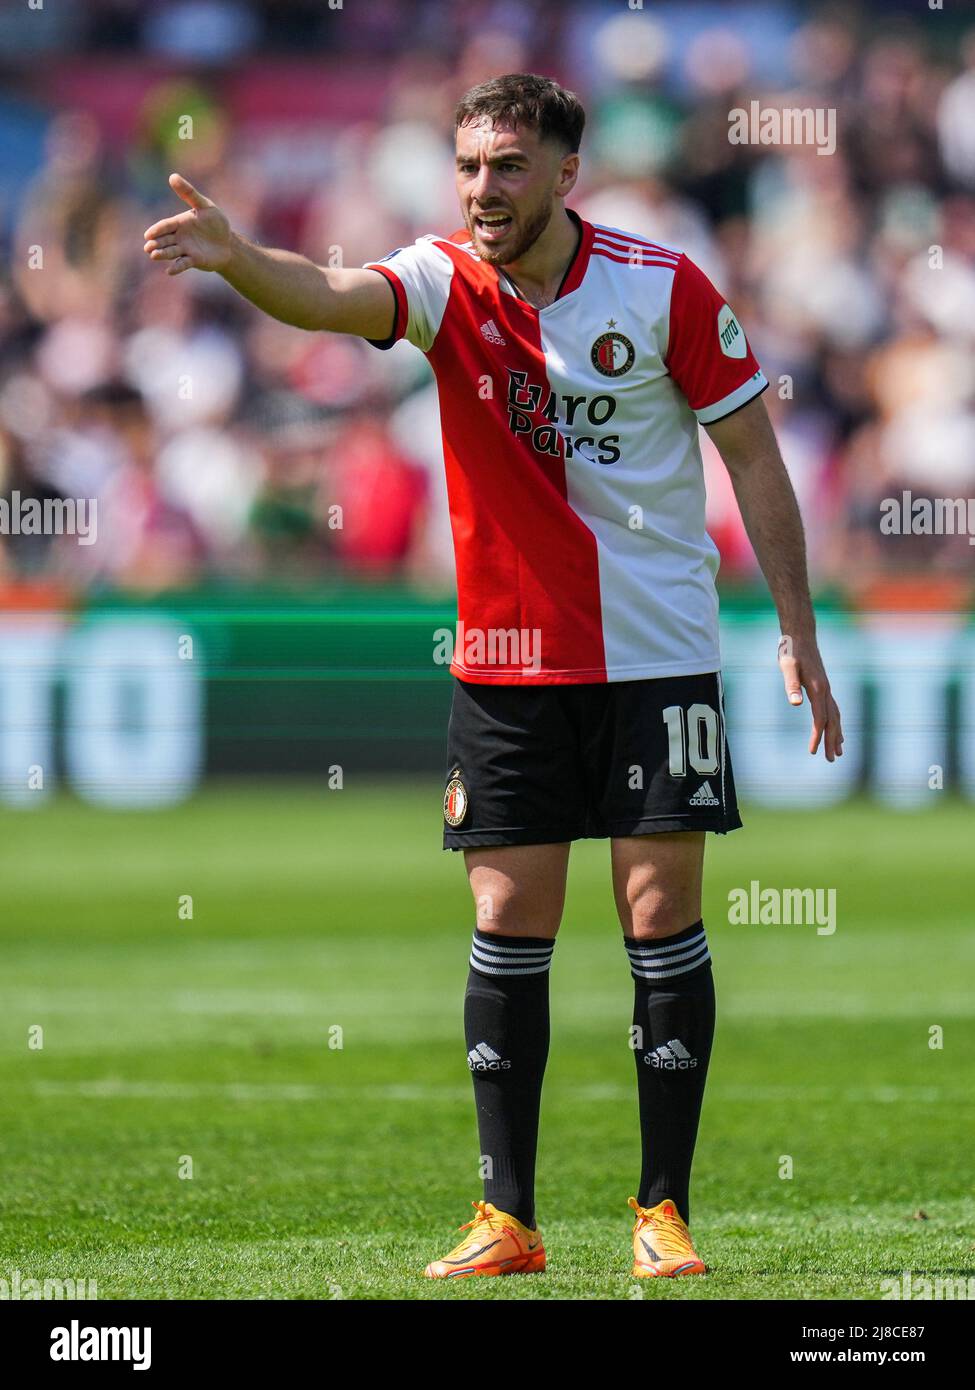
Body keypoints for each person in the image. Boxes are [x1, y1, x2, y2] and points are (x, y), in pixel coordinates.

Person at [144, 71, 844, 1281]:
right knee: (507, 921)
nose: (482, 190)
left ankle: (662, 1210)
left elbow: (754, 458)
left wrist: (796, 624)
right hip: (508, 663)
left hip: (656, 654)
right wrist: (235, 256)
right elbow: (327, 293)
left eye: (507, 168)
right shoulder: (442, 279)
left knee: (655, 918)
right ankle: (507, 1217)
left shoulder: (665, 288)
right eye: (468, 166)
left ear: (566, 174)